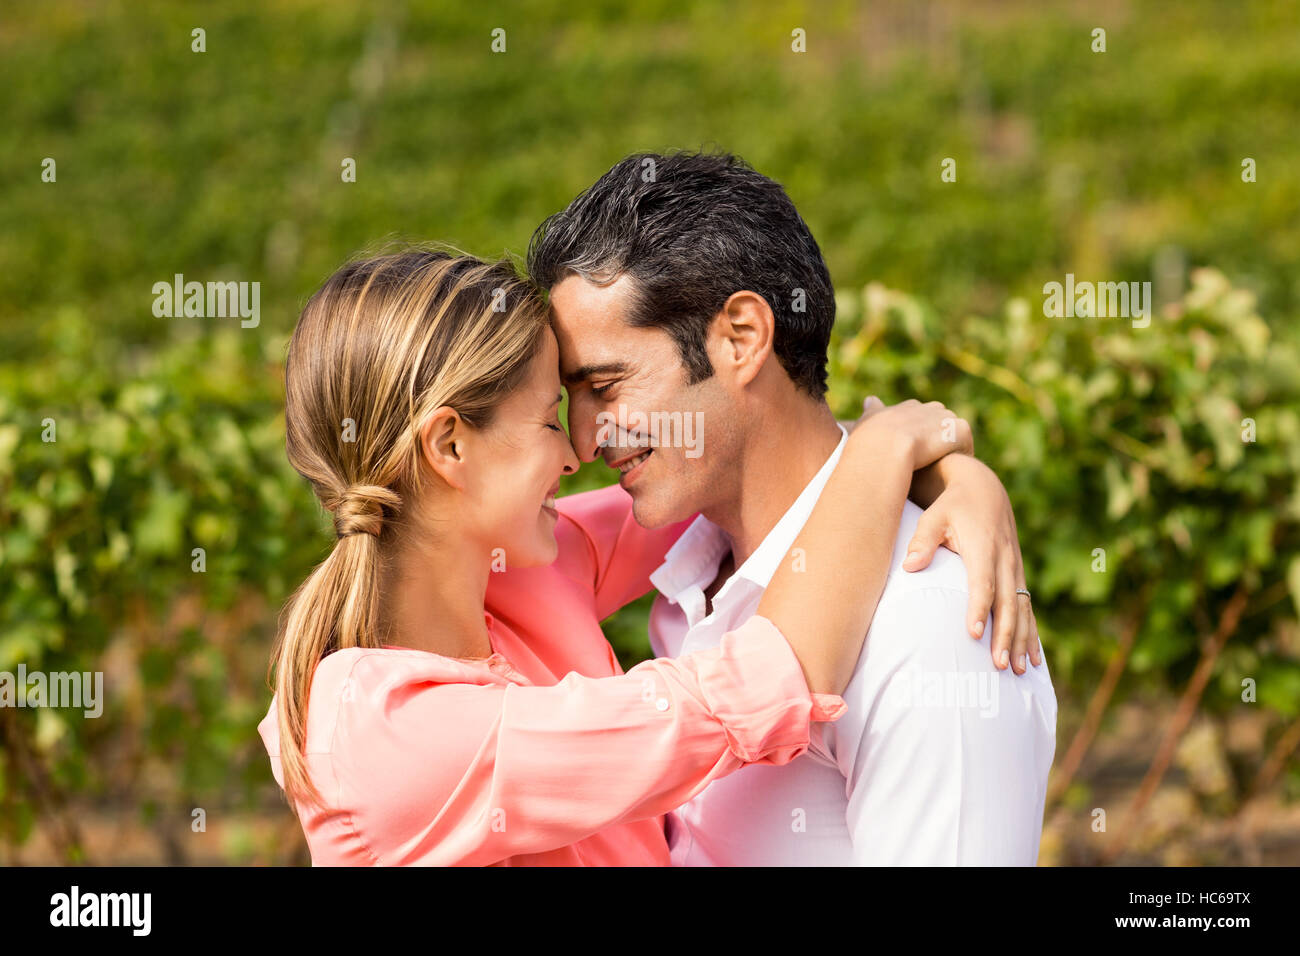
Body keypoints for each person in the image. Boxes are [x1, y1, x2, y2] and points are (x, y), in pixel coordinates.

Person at [258, 248, 1034, 865]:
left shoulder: (528, 571)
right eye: (547, 420)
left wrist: (945, 472)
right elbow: (766, 681)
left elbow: (746, 459)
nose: (580, 450)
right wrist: (888, 449)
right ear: (450, 445)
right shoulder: (393, 735)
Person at [527, 150, 1057, 864]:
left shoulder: (926, 622)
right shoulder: (690, 580)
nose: (586, 438)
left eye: (606, 386)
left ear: (741, 338)